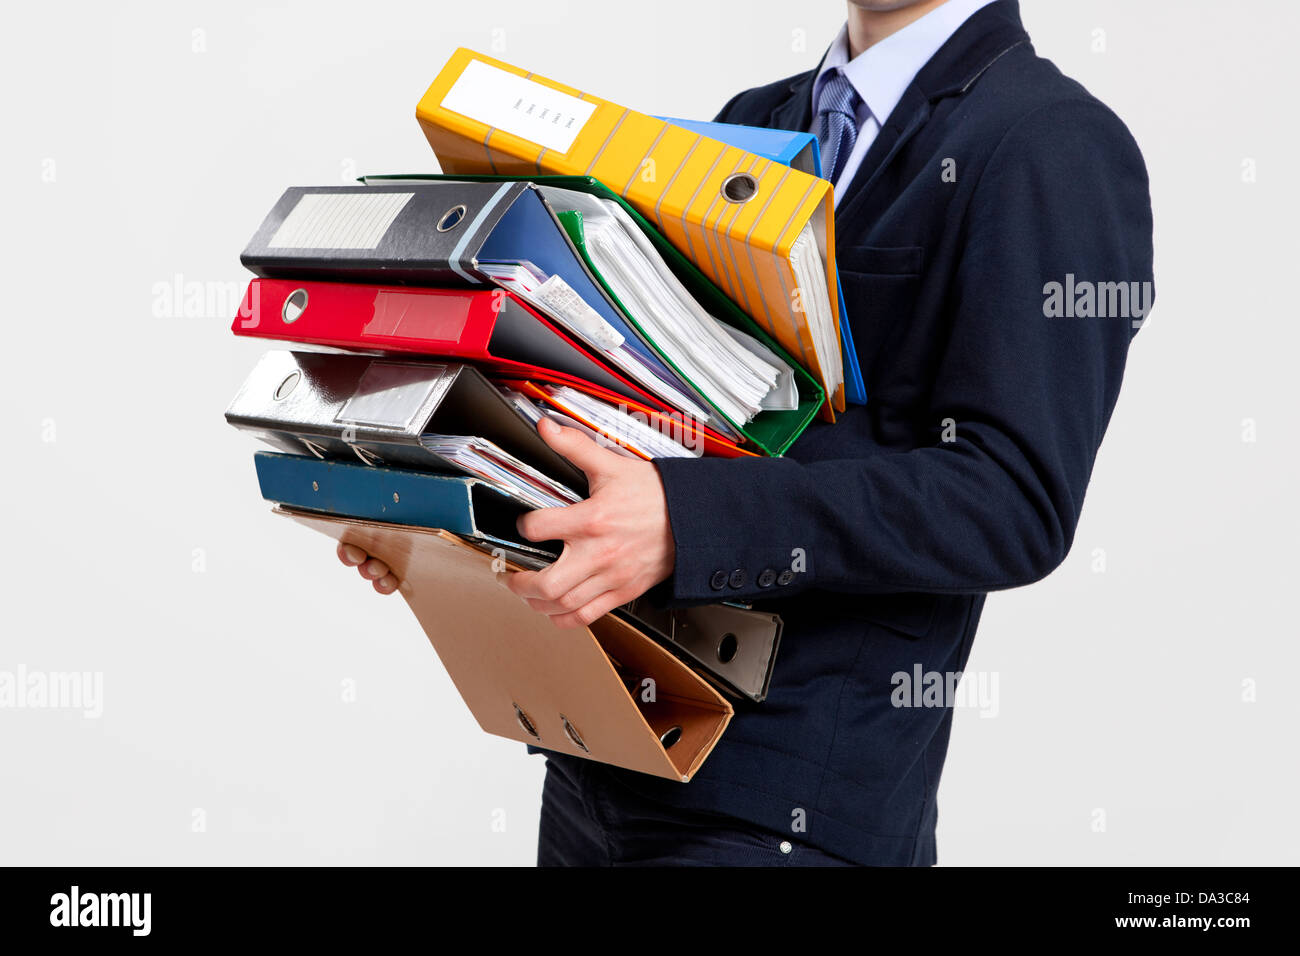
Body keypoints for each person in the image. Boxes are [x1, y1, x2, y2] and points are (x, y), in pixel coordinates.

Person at [339, 0, 1154, 866]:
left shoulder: (1053, 141)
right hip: (607, 752)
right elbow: (651, 404)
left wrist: (691, 522)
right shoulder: (751, 124)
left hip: (788, 803)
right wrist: (461, 504)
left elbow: (1012, 500)